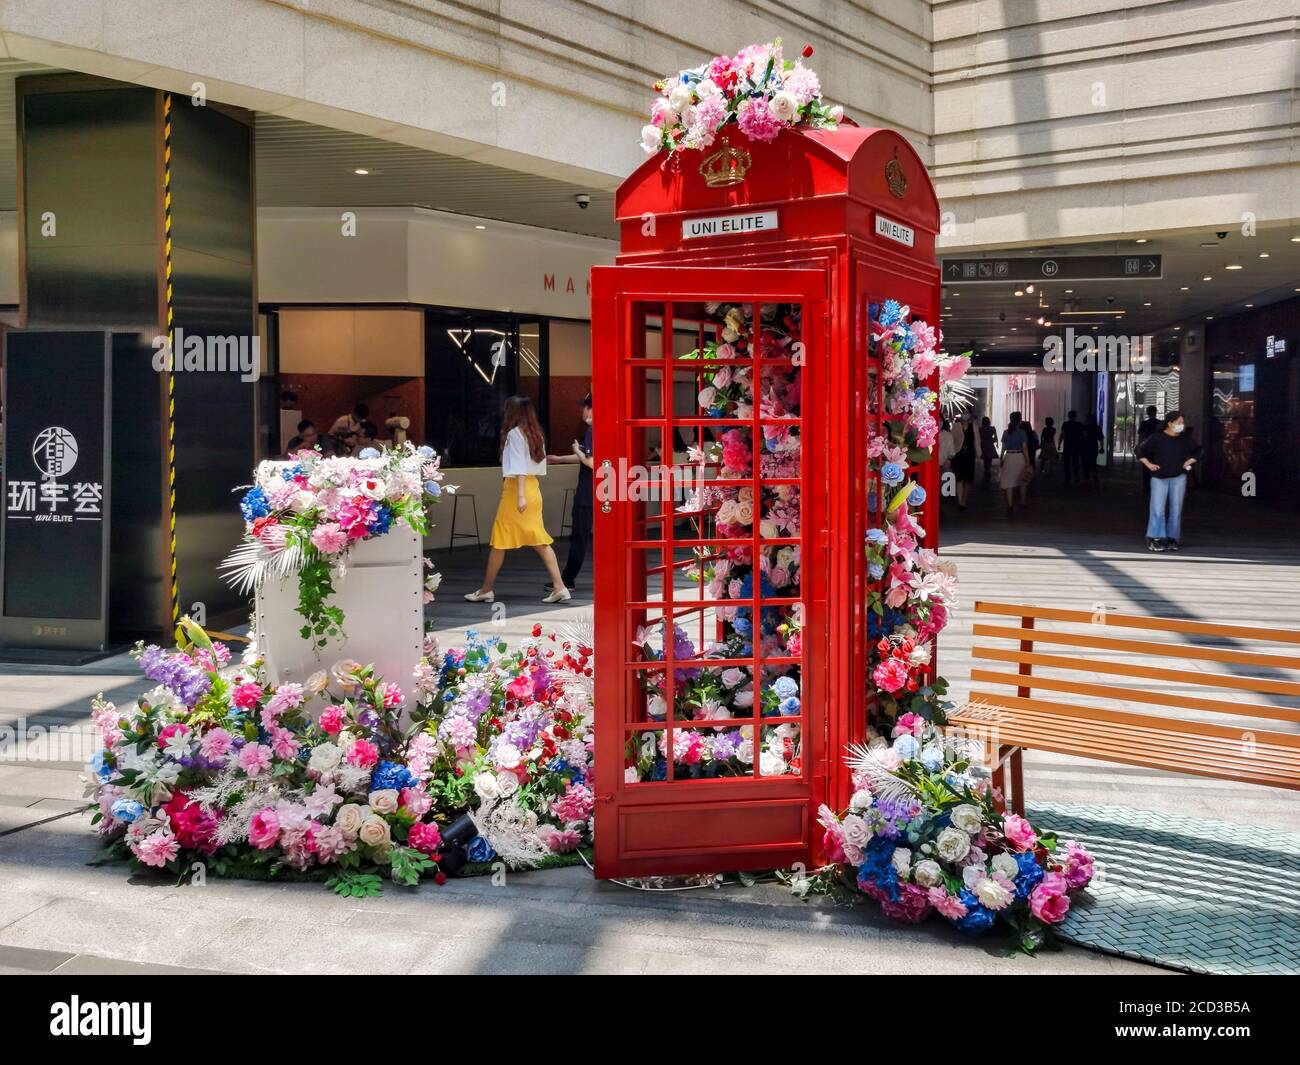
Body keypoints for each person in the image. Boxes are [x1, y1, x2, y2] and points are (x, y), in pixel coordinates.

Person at [464, 395, 570, 604]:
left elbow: (519, 466)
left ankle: (486, 589)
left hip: (516, 492)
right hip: (533, 489)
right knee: (539, 541)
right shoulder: (536, 433)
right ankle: (559, 586)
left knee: (500, 541)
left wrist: (520, 496)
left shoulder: (514, 434)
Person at [546, 393, 594, 591]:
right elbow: (588, 456)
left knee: (579, 537)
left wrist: (577, 451)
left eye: (585, 406)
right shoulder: (606, 428)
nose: (581, 410)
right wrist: (560, 458)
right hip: (604, 492)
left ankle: (567, 580)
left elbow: (591, 462)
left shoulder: (592, 429)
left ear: (592, 409)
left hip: (587, 493)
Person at [1137, 409, 1200, 552]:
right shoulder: (1157, 438)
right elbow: (1140, 450)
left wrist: (1189, 462)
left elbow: (1199, 450)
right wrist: (1148, 464)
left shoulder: (1185, 439)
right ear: (1170, 423)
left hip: (1179, 477)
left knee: (1176, 509)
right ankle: (1155, 537)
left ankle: (1172, 538)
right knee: (1157, 509)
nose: (1181, 425)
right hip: (1159, 478)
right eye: (1179, 422)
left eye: (1182, 422)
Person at [999, 412, 1032, 514]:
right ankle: (1023, 502)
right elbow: (1025, 448)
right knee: (1023, 480)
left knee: (1009, 482)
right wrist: (1028, 461)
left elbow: (1003, 448)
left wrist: (1001, 458)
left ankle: (1010, 504)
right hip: (1019, 457)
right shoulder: (1022, 433)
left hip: (1009, 457)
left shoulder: (1006, 432)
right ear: (1020, 420)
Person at [951, 413, 977, 510]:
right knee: (959, 478)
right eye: (964, 412)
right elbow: (952, 440)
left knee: (968, 479)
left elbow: (977, 440)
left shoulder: (973, 426)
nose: (965, 415)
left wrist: (979, 452)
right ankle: (960, 501)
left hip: (970, 455)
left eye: (967, 412)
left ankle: (964, 500)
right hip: (959, 455)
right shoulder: (956, 426)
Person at [1137, 405, 1162, 492]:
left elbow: (1141, 436)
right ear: (1156, 412)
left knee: (1146, 468)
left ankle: (1146, 486)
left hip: (1147, 448)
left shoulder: (1144, 424)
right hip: (1158, 448)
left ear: (1147, 413)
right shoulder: (1160, 423)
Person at [1060, 409, 1087, 485]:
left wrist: (1059, 444)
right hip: (1076, 446)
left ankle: (1067, 478)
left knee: (1067, 463)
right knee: (1076, 462)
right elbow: (1084, 435)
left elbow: (1062, 434)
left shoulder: (1065, 424)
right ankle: (1076, 476)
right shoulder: (1079, 424)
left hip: (1067, 445)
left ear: (1069, 416)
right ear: (1075, 416)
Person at [1084, 414, 1105, 485]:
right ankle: (1095, 476)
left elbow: (1083, 437)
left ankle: (1087, 478)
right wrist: (1102, 447)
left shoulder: (1085, 427)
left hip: (1086, 446)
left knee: (1086, 462)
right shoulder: (1097, 428)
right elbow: (1101, 438)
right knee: (1093, 462)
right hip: (1094, 446)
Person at [978, 416, 998, 485]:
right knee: (989, 458)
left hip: (983, 444)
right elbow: (995, 437)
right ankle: (988, 469)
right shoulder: (992, 428)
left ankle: (986, 469)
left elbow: (978, 437)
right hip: (990, 444)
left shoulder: (980, 429)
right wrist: (996, 442)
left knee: (985, 457)